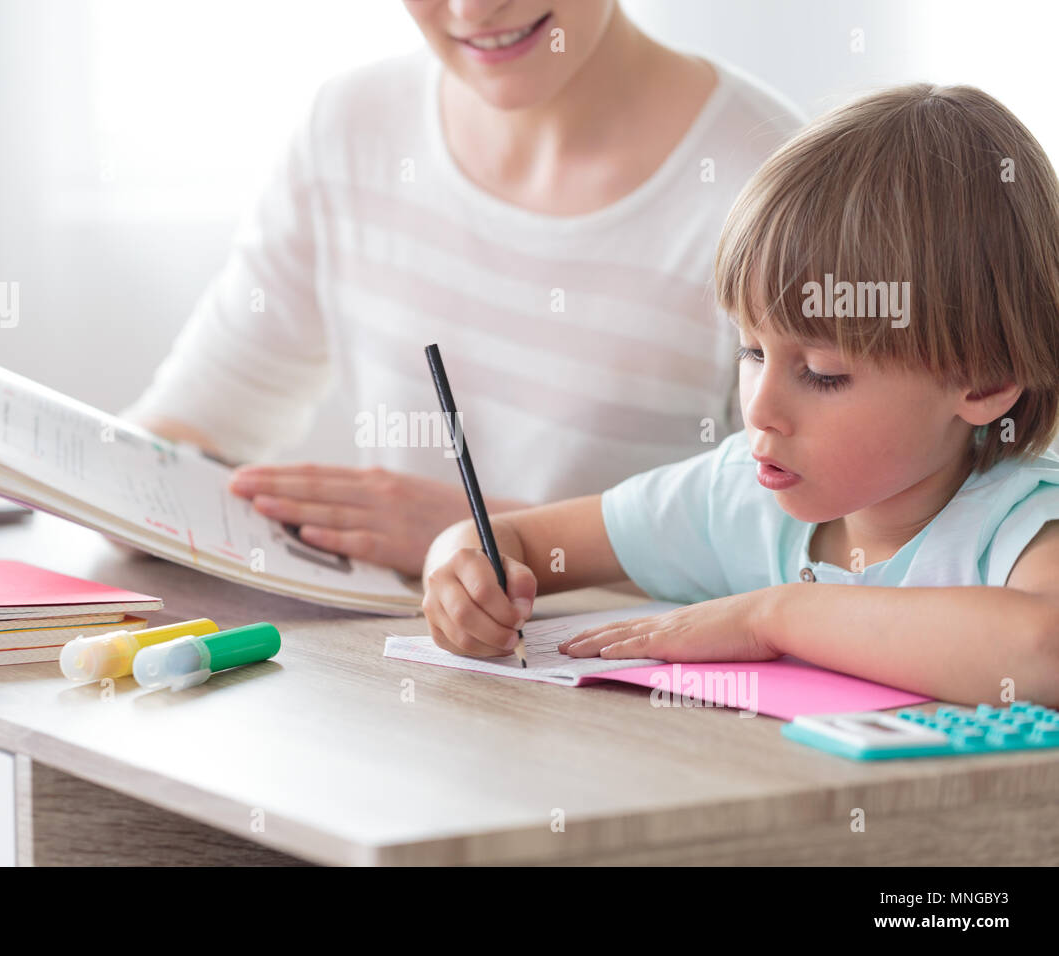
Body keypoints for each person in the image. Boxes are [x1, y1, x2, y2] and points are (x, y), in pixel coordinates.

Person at [420, 84, 1059, 707]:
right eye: (753, 351)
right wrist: (461, 572)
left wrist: (772, 617)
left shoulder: (1022, 526)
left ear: (985, 381)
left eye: (822, 373)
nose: (757, 410)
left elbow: (1043, 651)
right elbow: (512, 541)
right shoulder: (738, 495)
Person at [121, 1, 803, 574]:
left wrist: (490, 535)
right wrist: (106, 489)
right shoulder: (351, 126)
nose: (472, 10)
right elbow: (194, 420)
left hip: (628, 710)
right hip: (397, 684)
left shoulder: (778, 189)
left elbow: (818, 552)